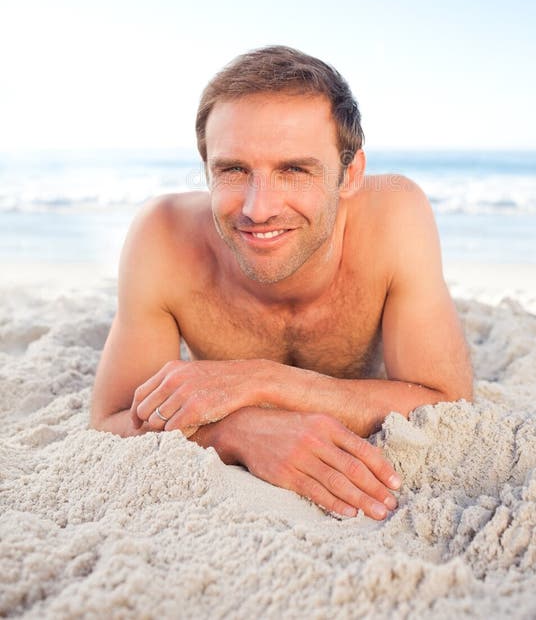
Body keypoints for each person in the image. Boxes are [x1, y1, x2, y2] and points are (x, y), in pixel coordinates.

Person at [90, 45, 472, 521]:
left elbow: (449, 405)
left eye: (294, 170)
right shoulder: (162, 236)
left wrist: (260, 380)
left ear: (349, 174)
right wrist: (238, 431)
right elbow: (109, 422)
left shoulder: (395, 218)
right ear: (207, 171)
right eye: (233, 170)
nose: (258, 207)